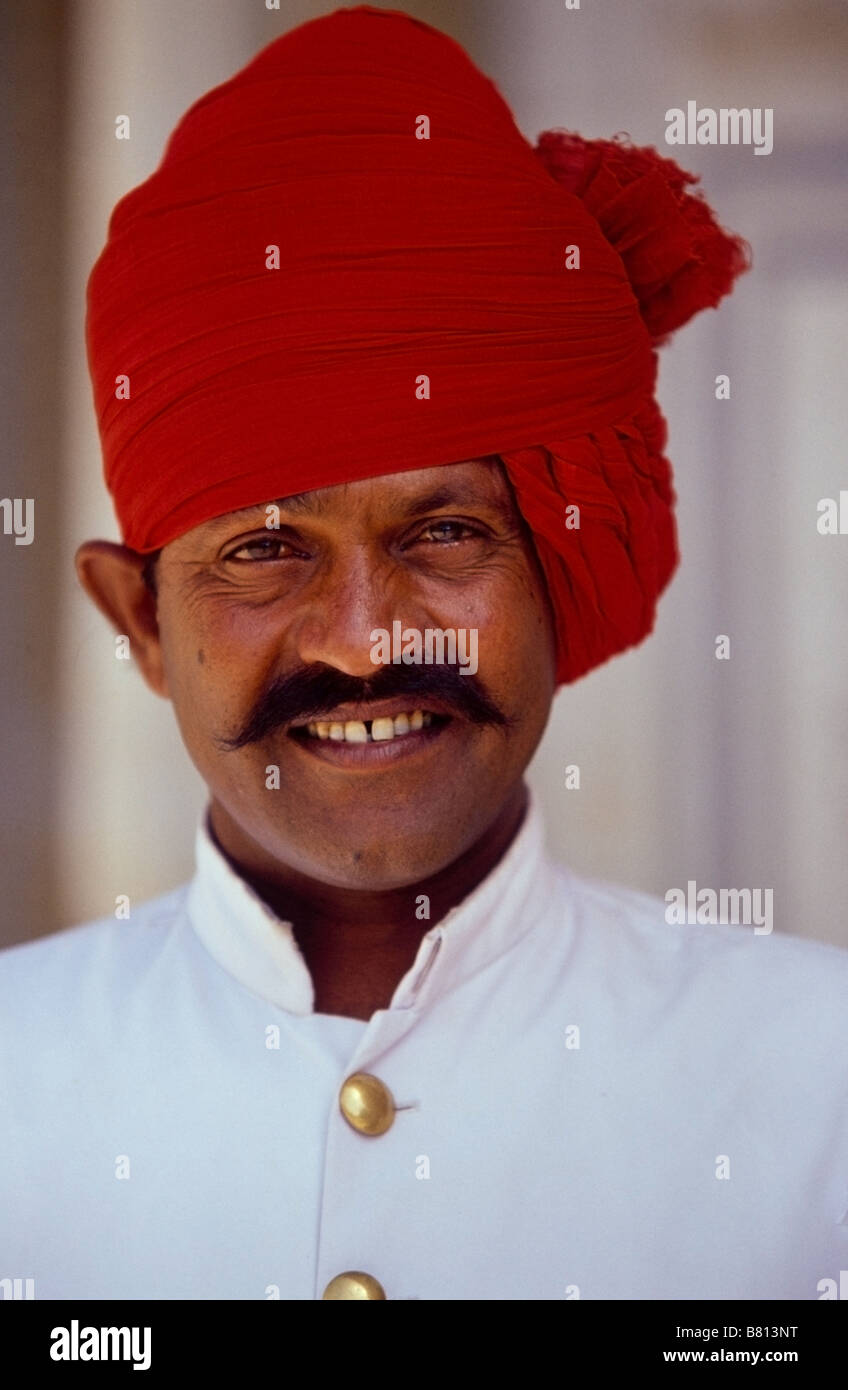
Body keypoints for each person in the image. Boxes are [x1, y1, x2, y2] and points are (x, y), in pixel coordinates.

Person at [2, 5, 846, 1301]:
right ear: (139, 622)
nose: (362, 639)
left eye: (446, 532)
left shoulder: (814, 1081)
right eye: (265, 550)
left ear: (557, 572)